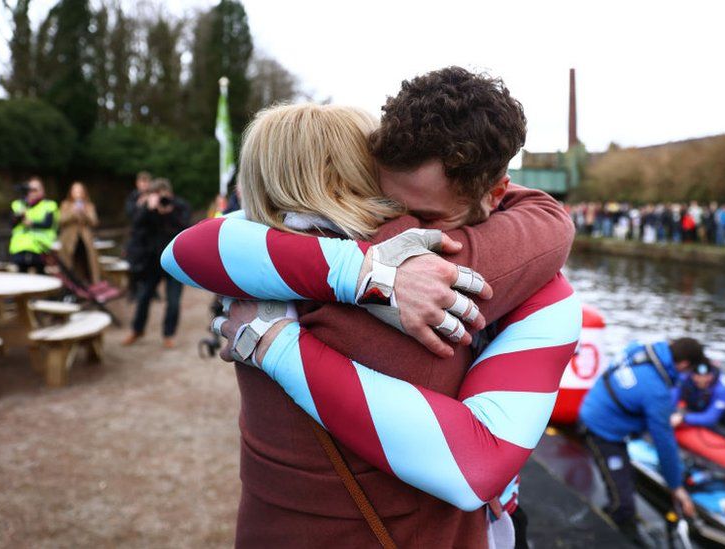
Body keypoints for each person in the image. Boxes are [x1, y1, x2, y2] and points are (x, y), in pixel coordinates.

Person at [162, 68, 576, 547]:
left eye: (426, 217)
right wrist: (368, 273)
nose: (404, 227)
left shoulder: (257, 270)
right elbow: (185, 250)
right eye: (390, 204)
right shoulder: (528, 276)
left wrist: (277, 346)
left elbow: (186, 249)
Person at [578, 338, 701, 542]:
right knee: (623, 503)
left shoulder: (640, 348)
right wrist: (676, 486)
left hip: (595, 406)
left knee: (626, 479)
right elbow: (664, 444)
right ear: (684, 364)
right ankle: (605, 536)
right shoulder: (657, 392)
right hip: (601, 430)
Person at [123, 178, 189, 348]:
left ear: (170, 193)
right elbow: (136, 227)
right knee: (143, 297)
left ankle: (168, 334)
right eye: (157, 195)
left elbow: (186, 229)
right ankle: (137, 330)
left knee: (173, 301)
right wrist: (148, 209)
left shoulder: (179, 206)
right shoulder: (147, 208)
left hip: (174, 262)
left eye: (163, 195)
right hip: (152, 262)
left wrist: (169, 213)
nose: (161, 198)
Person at [670, 362, 725, 435]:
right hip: (697, 411)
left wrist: (684, 418)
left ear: (711, 375)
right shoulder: (685, 377)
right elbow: (673, 397)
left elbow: (710, 418)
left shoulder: (723, 388)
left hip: (724, 422)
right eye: (697, 377)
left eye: (704, 377)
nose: (701, 380)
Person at [8, 176, 58, 273]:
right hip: (20, 248)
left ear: (42, 191)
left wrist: (32, 223)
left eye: (35, 190)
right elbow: (11, 223)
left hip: (41, 249)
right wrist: (19, 215)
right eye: (30, 190)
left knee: (41, 278)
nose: (32, 193)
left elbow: (48, 224)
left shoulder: (49, 205)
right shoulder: (18, 204)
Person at [58, 181, 100, 283]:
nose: (78, 193)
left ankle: (87, 284)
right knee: (69, 263)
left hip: (85, 240)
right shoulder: (65, 205)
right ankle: (68, 284)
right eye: (75, 191)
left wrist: (84, 213)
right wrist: (72, 212)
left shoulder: (89, 206)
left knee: (86, 263)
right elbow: (60, 220)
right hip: (69, 241)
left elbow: (94, 222)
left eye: (80, 191)